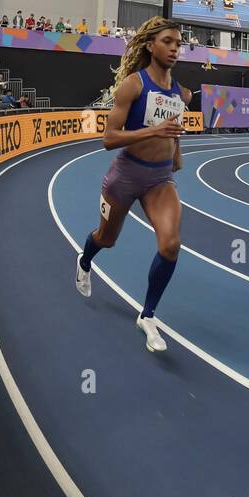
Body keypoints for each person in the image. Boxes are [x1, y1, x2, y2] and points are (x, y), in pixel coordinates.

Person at [74, 18, 193, 353]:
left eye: (178, 43)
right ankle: (85, 260)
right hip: (125, 176)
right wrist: (152, 132)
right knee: (106, 239)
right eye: (167, 41)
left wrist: (175, 152)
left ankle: (149, 315)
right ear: (150, 46)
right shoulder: (132, 86)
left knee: (171, 245)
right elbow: (109, 139)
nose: (174, 48)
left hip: (159, 179)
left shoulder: (180, 93)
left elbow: (172, 130)